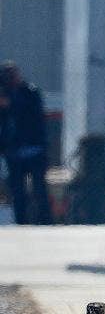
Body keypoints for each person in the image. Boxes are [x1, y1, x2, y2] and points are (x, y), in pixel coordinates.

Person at [0, 61, 50, 224]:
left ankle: (45, 221)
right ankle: (21, 221)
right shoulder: (4, 94)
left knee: (39, 189)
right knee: (17, 190)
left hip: (34, 148)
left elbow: (31, 116)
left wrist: (11, 104)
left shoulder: (30, 92)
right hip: (13, 151)